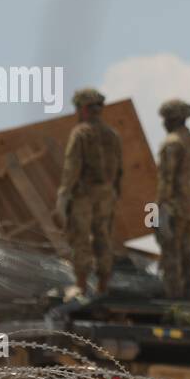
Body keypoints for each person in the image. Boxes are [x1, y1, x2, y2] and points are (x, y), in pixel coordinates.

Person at [53, 88, 122, 298]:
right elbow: (120, 170)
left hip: (84, 194)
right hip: (107, 194)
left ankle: (81, 285)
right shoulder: (113, 135)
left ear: (82, 108)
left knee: (80, 237)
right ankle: (103, 285)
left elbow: (71, 168)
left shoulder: (81, 132)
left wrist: (62, 199)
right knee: (103, 237)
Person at [155, 99, 190, 299]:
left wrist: (157, 212)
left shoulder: (171, 144)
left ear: (172, 119)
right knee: (189, 254)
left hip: (173, 209)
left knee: (171, 255)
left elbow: (165, 181)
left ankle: (174, 302)